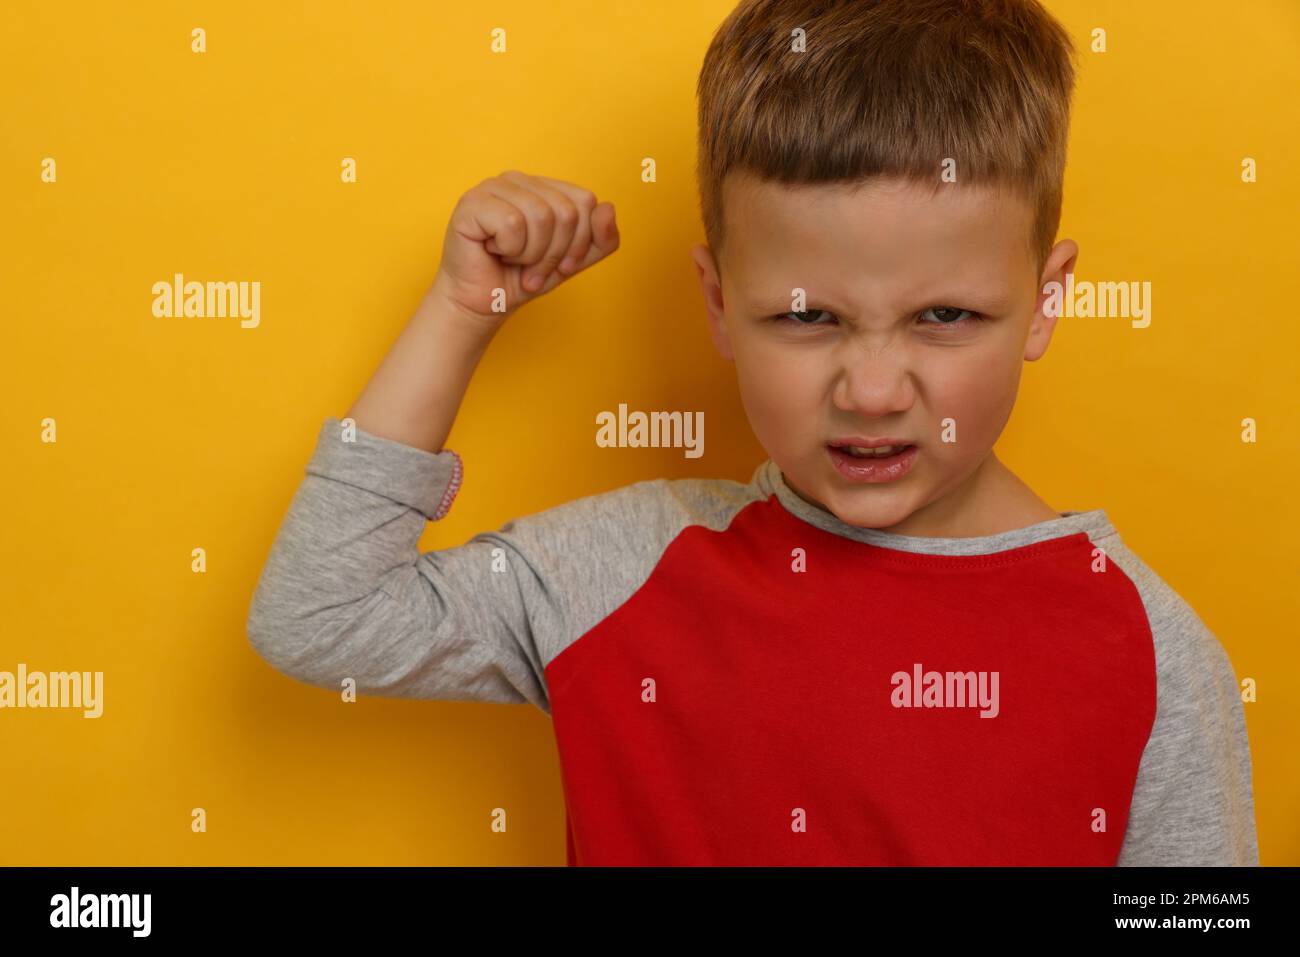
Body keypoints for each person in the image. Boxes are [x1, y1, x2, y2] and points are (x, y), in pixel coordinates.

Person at [246, 0, 1259, 866]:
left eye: (944, 317)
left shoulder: (1152, 657)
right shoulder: (627, 570)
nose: (870, 389)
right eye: (807, 318)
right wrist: (463, 313)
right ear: (717, 303)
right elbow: (319, 619)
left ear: (1043, 304)